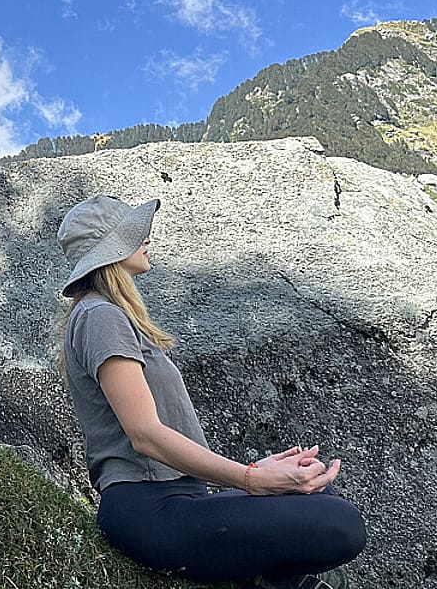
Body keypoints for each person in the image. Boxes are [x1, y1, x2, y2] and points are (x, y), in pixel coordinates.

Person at [57, 194, 366, 589]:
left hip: (182, 498)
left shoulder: (109, 315)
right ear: (111, 252)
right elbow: (145, 435)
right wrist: (251, 479)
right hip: (150, 510)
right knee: (339, 524)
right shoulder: (100, 315)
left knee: (317, 493)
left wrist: (261, 470)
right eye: (134, 234)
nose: (147, 238)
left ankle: (264, 579)